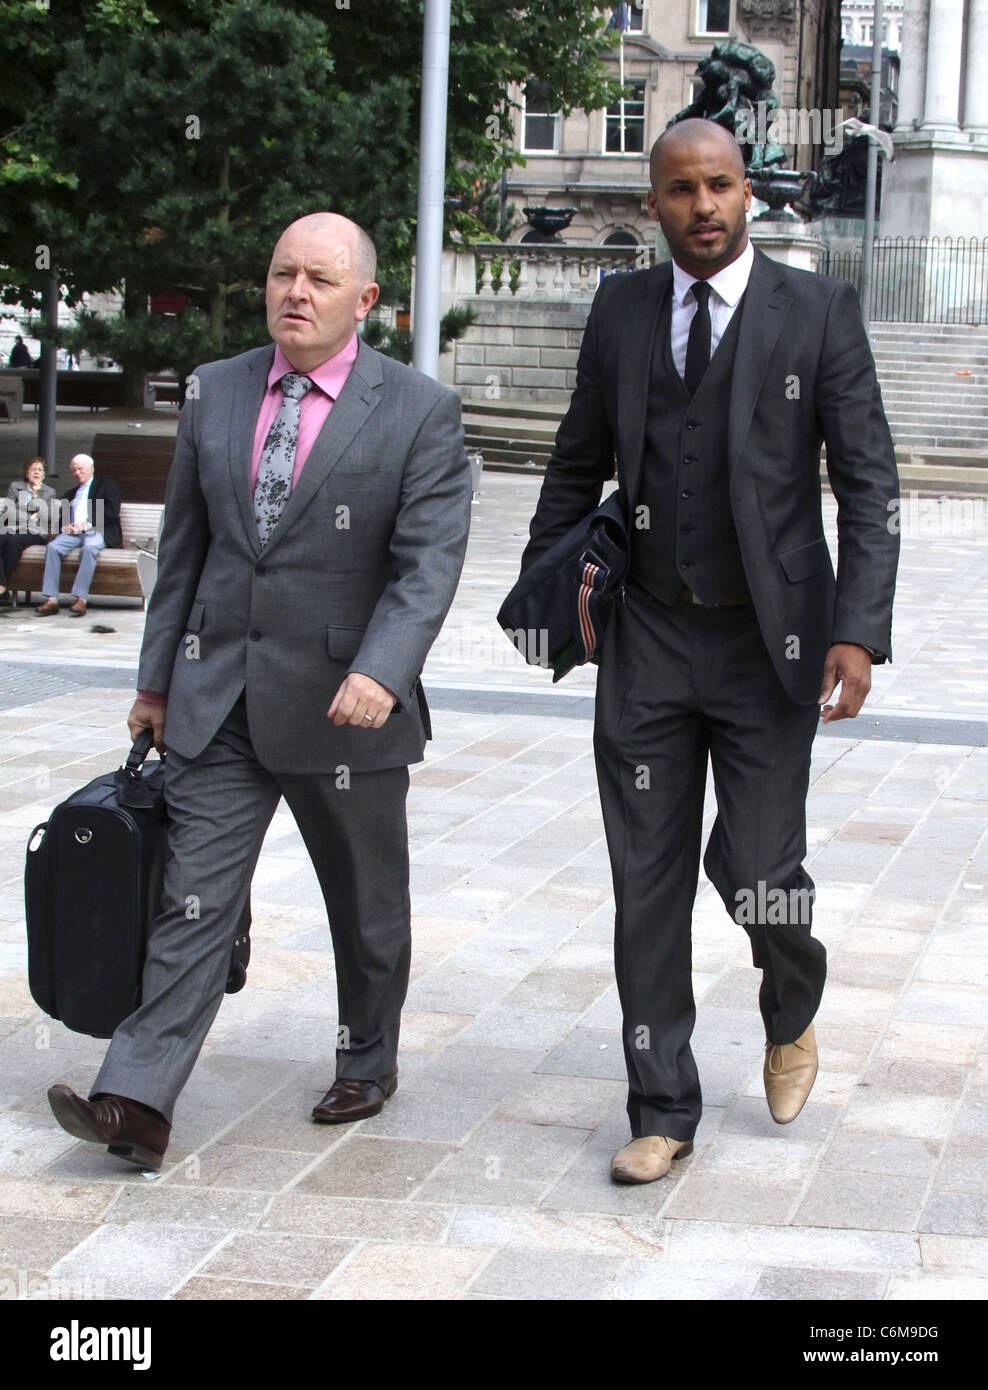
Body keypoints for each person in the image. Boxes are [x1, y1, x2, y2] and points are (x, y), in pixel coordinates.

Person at [46, 212, 472, 1170]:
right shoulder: (217, 391)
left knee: (365, 905)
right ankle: (137, 1101)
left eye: (320, 280)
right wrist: (156, 681)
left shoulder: (416, 410)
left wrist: (382, 667)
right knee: (190, 902)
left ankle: (369, 1056)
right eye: (283, 274)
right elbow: (185, 551)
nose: (296, 293)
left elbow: (427, 564)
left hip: (345, 704)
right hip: (220, 697)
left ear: (365, 300)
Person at [517, 118, 899, 1184]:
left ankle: (791, 1002)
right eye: (679, 189)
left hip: (768, 648)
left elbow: (867, 485)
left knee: (762, 870)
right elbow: (570, 465)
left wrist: (857, 630)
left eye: (719, 185)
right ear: (654, 203)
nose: (702, 207)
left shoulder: (814, 311)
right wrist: (551, 587)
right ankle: (660, 1104)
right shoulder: (620, 309)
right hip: (647, 640)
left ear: (747, 193)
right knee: (644, 882)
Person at [35, 453, 122, 618]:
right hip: (74, 534)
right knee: (53, 547)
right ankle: (52, 599)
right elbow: (62, 519)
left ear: (91, 468)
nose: (77, 472)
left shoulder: (106, 485)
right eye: (74, 470)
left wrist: (87, 524)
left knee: (89, 549)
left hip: (96, 531)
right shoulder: (71, 493)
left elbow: (112, 512)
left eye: (80, 468)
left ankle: (81, 599)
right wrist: (66, 527)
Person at [0, 457, 58, 605]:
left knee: (13, 541)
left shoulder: (49, 492)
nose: (37, 473)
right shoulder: (16, 487)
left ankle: (3, 586)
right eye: (33, 469)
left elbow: (47, 514)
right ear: (26, 473)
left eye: (40, 470)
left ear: (44, 475)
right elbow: (8, 509)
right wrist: (29, 517)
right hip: (12, 527)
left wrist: (37, 496)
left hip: (36, 532)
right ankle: (3, 586)